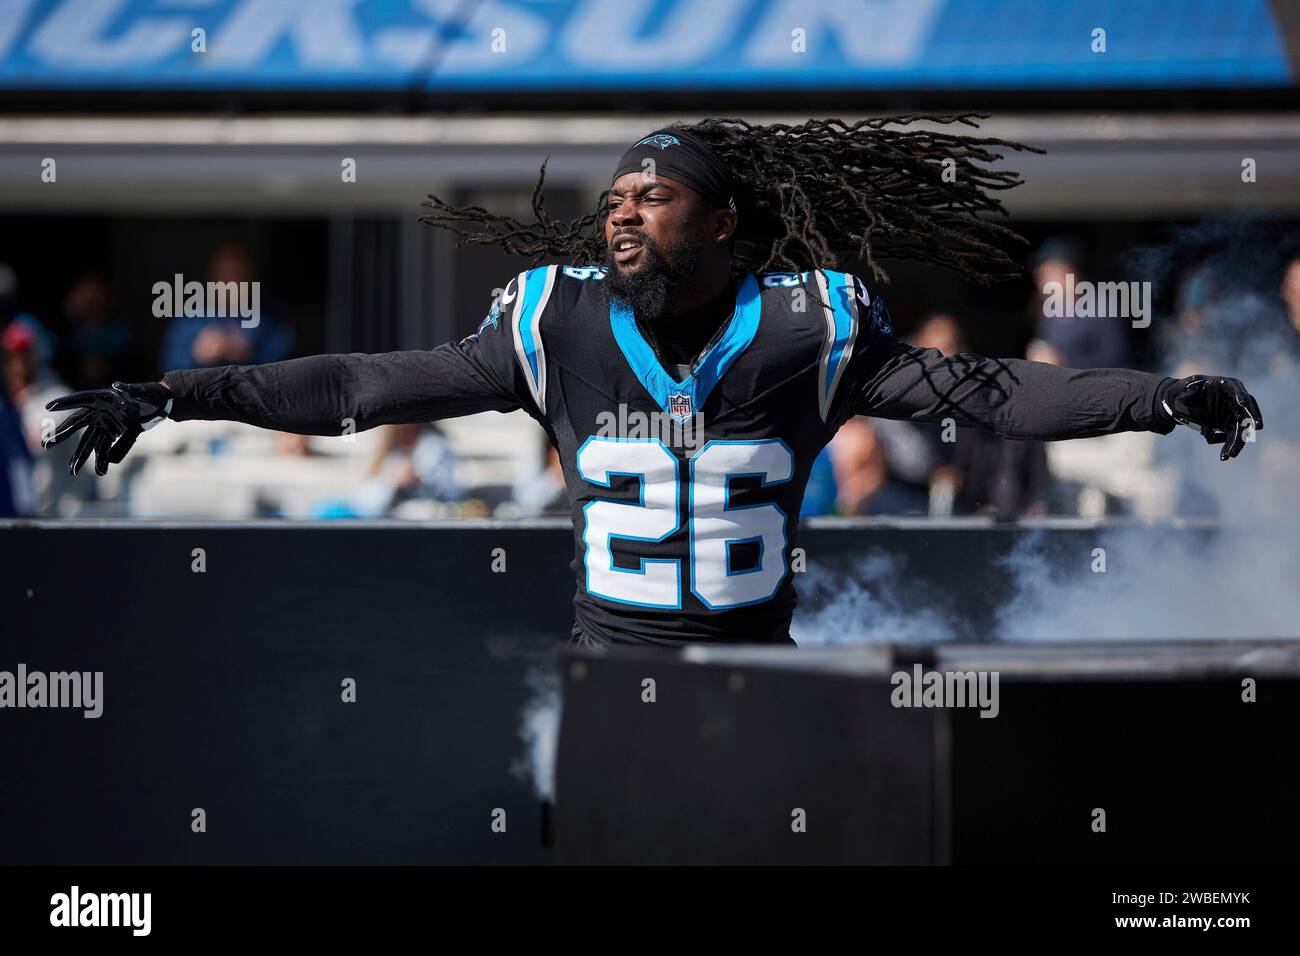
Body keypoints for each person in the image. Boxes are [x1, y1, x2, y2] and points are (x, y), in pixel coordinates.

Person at [42, 118, 1263, 648]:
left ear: (722, 223)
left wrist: (1158, 398)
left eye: (653, 195)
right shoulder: (553, 320)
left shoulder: (808, 329)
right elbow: (364, 383)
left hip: (760, 683)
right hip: (607, 678)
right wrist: (170, 396)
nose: (622, 212)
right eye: (616, 196)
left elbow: (990, 393)